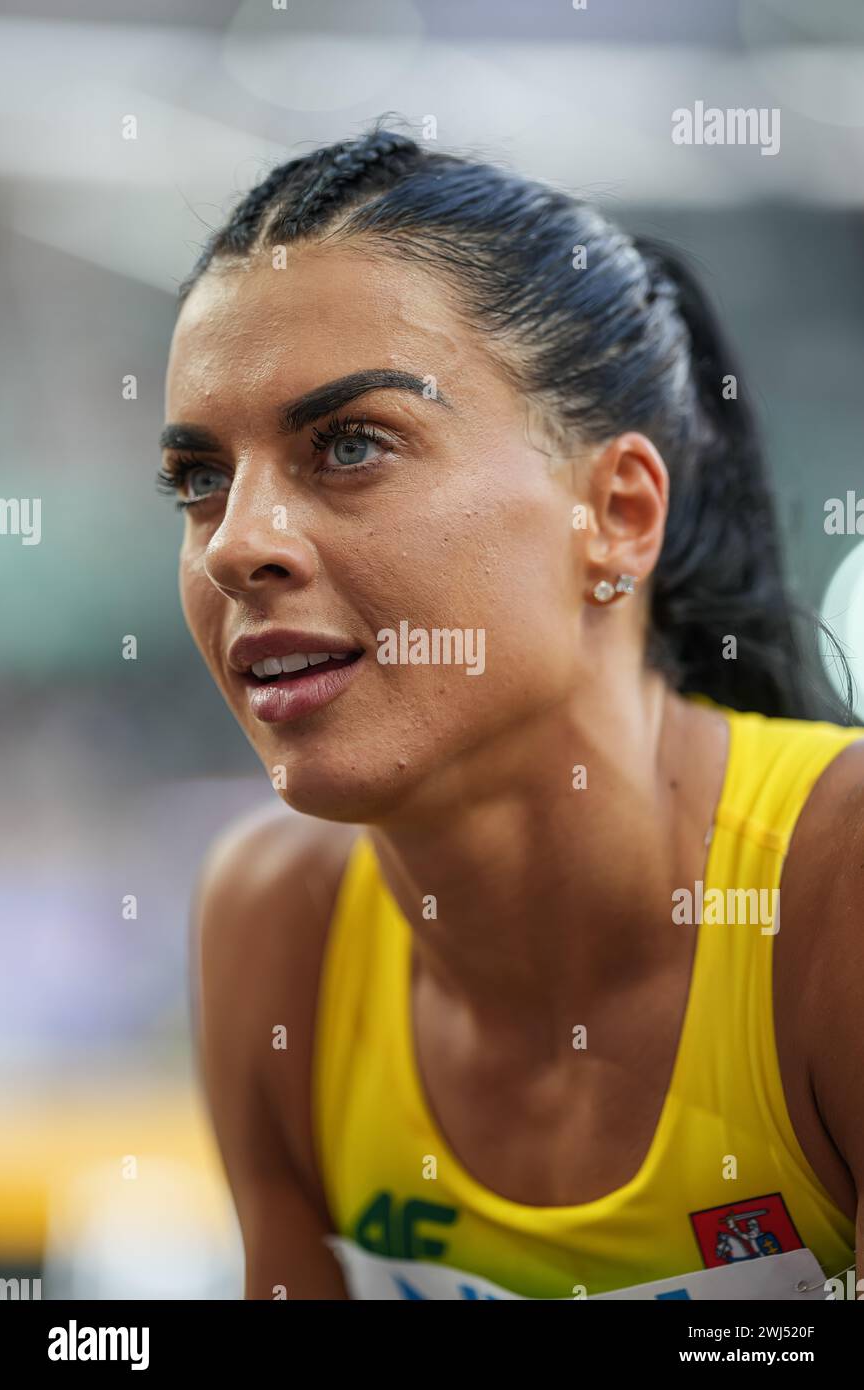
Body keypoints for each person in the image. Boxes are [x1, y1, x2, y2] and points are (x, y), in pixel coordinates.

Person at [160, 123, 864, 1300]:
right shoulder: (273, 926)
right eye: (198, 479)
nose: (236, 545)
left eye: (348, 443)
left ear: (617, 514)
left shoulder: (835, 892)